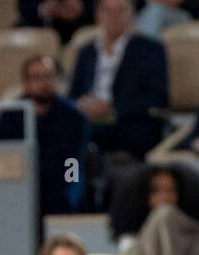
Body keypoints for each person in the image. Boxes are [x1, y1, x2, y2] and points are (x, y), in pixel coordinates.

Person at [68, 0, 168, 159]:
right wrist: (82, 104)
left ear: (132, 15)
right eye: (107, 11)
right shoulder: (86, 52)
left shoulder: (151, 49)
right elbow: (73, 94)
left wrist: (111, 108)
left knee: (132, 132)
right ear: (97, 15)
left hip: (128, 122)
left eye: (120, 10)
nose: (113, 16)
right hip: (89, 120)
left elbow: (158, 97)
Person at [0, 55, 90, 218]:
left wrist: (69, 188)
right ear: (26, 83)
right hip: (20, 183)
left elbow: (73, 162)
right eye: (37, 77)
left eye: (49, 76)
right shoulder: (11, 116)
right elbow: (1, 156)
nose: (44, 83)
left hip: (60, 183)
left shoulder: (74, 117)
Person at [18, 0, 95, 46]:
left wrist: (81, 8)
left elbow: (99, 7)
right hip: (39, 29)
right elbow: (24, 6)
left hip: (78, 30)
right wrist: (45, 9)